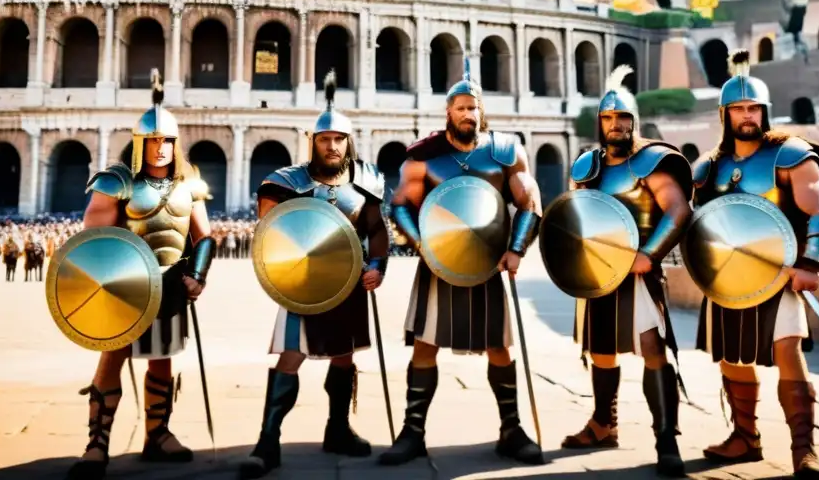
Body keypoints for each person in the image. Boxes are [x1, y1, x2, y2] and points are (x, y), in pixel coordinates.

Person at [380, 60, 544, 467]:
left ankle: (511, 429)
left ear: (481, 111)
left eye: (474, 107)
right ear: (448, 112)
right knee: (425, 344)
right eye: (461, 107)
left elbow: (529, 203)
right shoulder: (424, 156)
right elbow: (399, 205)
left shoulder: (505, 151)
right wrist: (420, 244)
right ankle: (412, 432)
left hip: (487, 263)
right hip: (438, 264)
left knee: (498, 346)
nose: (468, 114)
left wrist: (518, 248)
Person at [66, 71, 215, 480]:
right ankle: (97, 443)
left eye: (168, 140)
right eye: (153, 141)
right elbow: (93, 238)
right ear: (139, 142)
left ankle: (158, 433)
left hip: (170, 283)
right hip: (125, 286)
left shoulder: (189, 182)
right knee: (112, 357)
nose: (162, 148)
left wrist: (197, 275)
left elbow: (204, 237)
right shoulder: (118, 180)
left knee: (163, 358)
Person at [240, 70, 389, 479]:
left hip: (351, 284)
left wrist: (378, 266)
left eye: (338, 139)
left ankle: (337, 429)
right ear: (313, 142)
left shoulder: (367, 180)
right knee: (291, 356)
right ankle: (267, 440)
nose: (332, 145)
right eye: (324, 139)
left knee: (344, 357)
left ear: (348, 141)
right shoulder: (289, 182)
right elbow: (270, 233)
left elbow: (377, 230)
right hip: (304, 287)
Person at [692, 50, 819, 479]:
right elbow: (689, 216)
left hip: (780, 274)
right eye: (737, 108)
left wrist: (812, 262)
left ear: (765, 111)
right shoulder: (710, 166)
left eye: (753, 107)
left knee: (787, 351)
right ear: (724, 114)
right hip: (727, 276)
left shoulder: (789, 155)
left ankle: (804, 451)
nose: (747, 115)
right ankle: (745, 438)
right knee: (731, 357)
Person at [563, 66, 692, 477]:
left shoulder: (651, 161)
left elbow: (678, 210)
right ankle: (604, 425)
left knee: (652, 350)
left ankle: (666, 437)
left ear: (633, 121)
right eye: (607, 118)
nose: (615, 124)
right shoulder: (586, 165)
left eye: (622, 118)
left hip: (637, 271)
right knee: (600, 351)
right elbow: (576, 213)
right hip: (597, 272)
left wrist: (650, 255)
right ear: (599, 122)